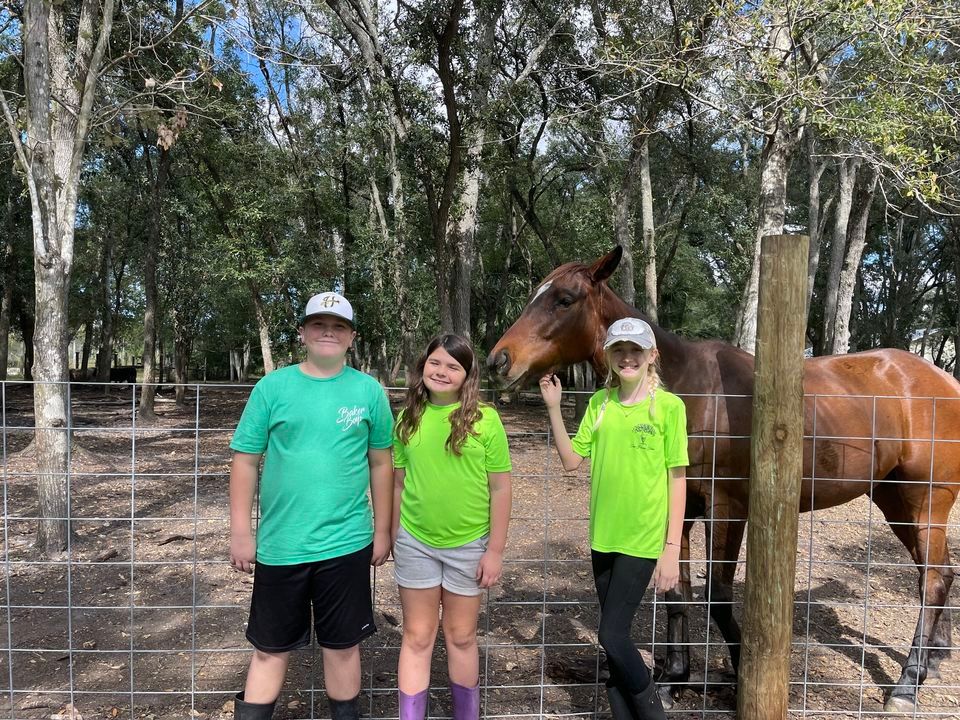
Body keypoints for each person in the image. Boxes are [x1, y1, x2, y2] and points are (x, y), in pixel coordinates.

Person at [228, 291, 394, 720]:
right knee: (269, 649)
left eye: (338, 326)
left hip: (347, 543)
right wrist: (242, 533)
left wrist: (382, 531)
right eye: (319, 324)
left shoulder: (369, 391)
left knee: (343, 646)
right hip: (282, 545)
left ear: (351, 338)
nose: (328, 332)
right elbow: (245, 461)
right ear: (302, 332)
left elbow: (381, 464)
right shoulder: (273, 387)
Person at [539, 317, 688, 720]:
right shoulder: (599, 404)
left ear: (651, 356)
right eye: (619, 350)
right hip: (602, 538)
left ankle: (653, 712)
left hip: (642, 539)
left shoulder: (669, 408)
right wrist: (554, 409)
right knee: (613, 641)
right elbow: (572, 461)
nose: (627, 358)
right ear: (607, 356)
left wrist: (671, 549)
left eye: (635, 351)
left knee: (611, 633)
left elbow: (678, 480)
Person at [391, 334, 513, 720]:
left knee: (461, 637)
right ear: (423, 365)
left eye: (453, 366)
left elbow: (501, 487)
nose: (442, 371)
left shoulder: (485, 419)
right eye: (435, 362)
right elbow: (396, 482)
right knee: (417, 637)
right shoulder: (406, 417)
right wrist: (393, 534)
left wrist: (494, 550)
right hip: (415, 542)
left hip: (469, 546)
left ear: (467, 375)